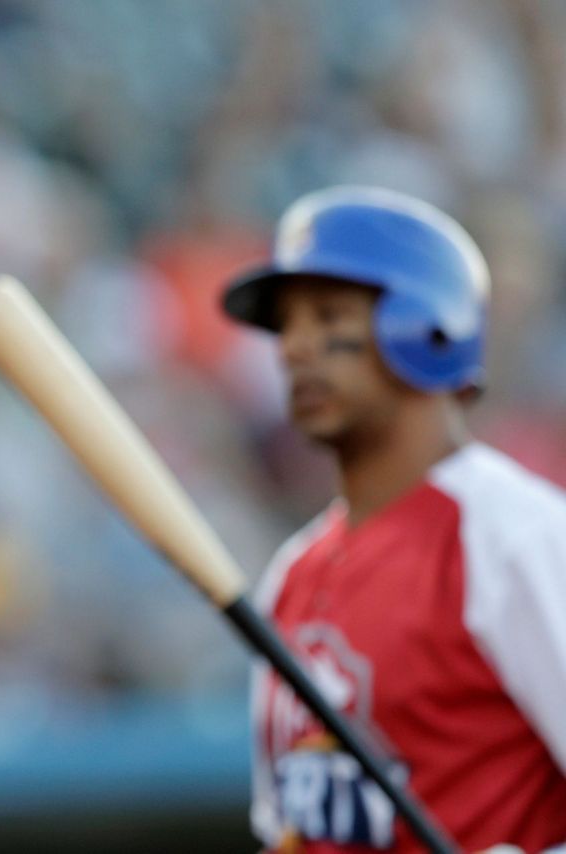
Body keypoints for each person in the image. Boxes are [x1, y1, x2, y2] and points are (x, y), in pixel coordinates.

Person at [222, 186, 566, 852]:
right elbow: (286, 830)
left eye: (328, 317)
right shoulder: (291, 574)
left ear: (429, 324)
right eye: (286, 324)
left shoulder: (517, 539)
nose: (294, 347)